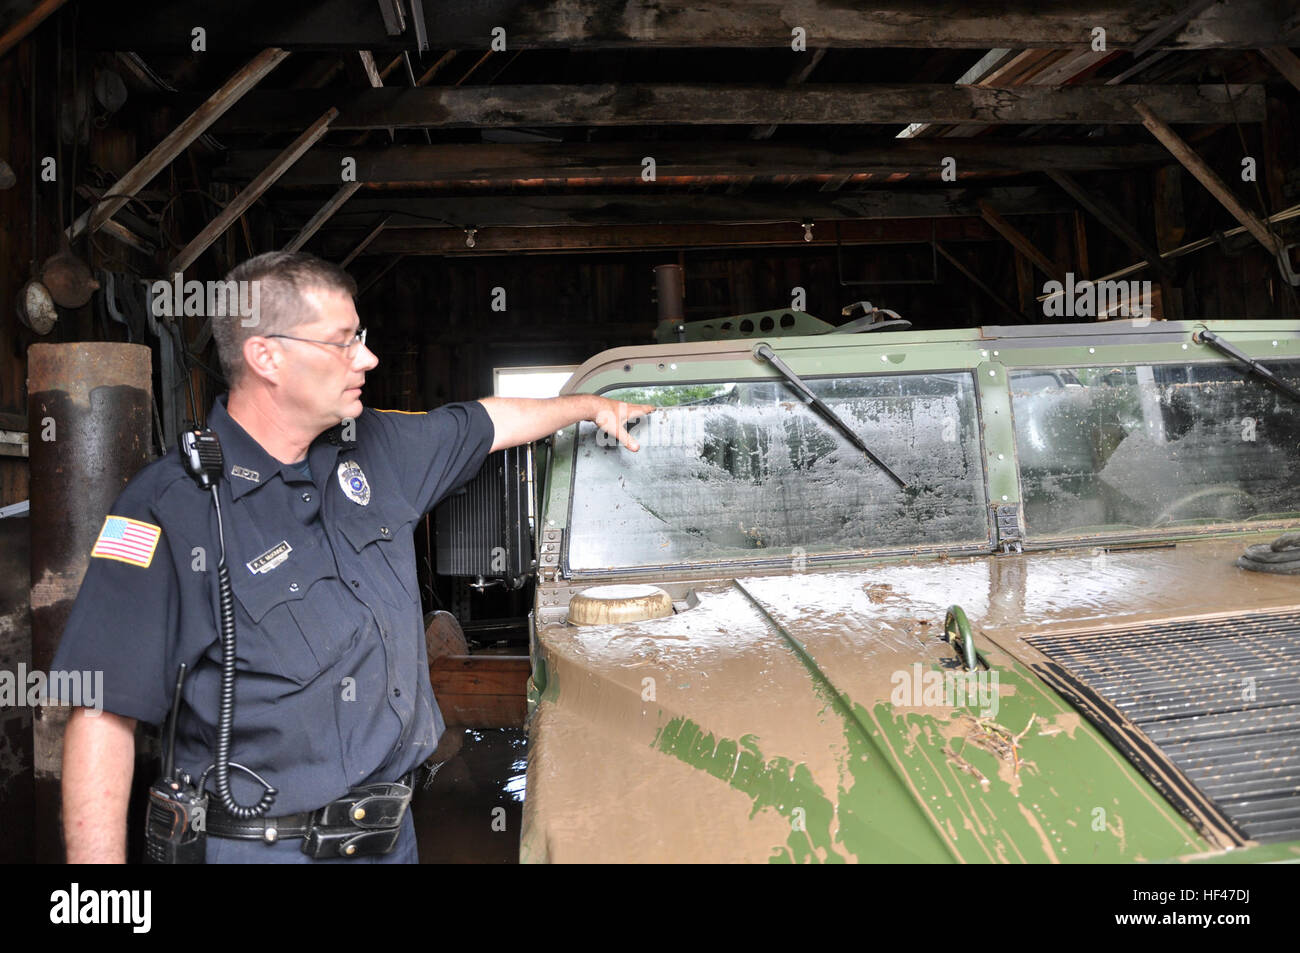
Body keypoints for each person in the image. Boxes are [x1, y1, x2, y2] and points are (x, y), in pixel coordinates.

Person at [52, 251, 653, 863]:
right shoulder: (169, 507)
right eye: (343, 343)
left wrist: (586, 407)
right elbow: (103, 716)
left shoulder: (378, 448)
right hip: (266, 849)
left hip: (390, 837)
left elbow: (489, 421)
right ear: (267, 357)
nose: (366, 358)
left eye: (359, 337)